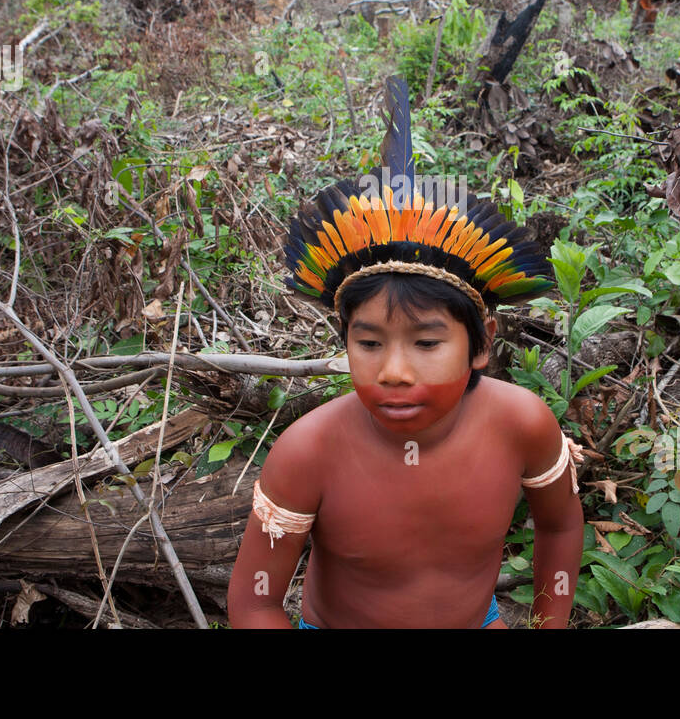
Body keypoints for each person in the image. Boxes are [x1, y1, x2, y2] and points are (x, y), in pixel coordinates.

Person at [227, 77, 585, 628]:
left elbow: (559, 529)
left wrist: (548, 621)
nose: (393, 371)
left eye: (426, 342)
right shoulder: (308, 453)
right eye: (369, 343)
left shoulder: (523, 425)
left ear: (482, 342)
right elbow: (254, 600)